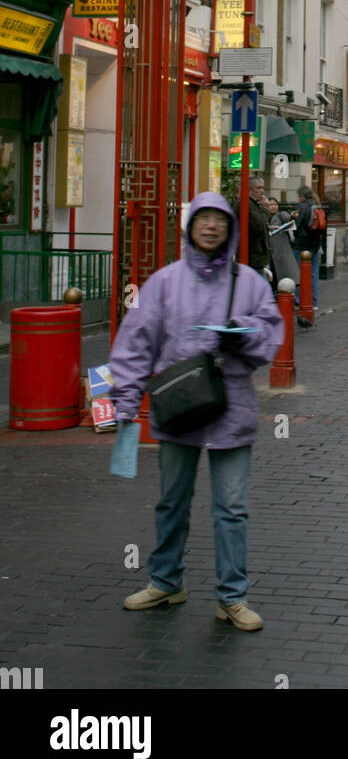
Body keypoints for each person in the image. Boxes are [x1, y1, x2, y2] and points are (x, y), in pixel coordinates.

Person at [110, 192, 282, 631]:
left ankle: (232, 596)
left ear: (230, 228)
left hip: (231, 409)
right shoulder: (164, 282)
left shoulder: (249, 282)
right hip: (179, 409)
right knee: (171, 502)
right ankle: (166, 581)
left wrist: (242, 336)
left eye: (218, 220)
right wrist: (127, 403)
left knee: (231, 507)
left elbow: (270, 336)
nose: (210, 226)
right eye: (202, 219)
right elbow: (134, 345)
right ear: (189, 227)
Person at [233, 177, 272, 284]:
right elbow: (258, 226)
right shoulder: (245, 204)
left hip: (255, 258)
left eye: (262, 188)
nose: (262, 191)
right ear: (250, 190)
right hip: (251, 258)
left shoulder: (253, 204)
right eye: (258, 188)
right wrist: (265, 209)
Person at [291, 185, 324, 316]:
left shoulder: (302, 206)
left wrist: (293, 218)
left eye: (299, 196)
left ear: (302, 196)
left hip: (302, 244)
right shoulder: (317, 206)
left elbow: (297, 226)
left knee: (299, 273)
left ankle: (300, 301)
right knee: (314, 274)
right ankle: (314, 302)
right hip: (315, 244)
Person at [266, 197, 299, 289]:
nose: (273, 207)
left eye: (275, 205)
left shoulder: (281, 215)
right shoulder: (264, 217)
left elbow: (289, 219)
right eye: (271, 205)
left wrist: (293, 217)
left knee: (285, 278)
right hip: (269, 253)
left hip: (281, 252)